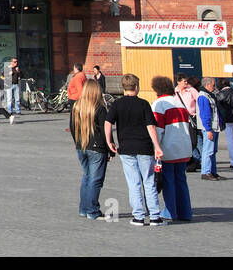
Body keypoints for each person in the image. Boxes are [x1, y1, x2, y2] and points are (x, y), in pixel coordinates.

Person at [104, 73, 165, 225]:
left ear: (123, 87)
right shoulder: (144, 104)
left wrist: (109, 141)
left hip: (126, 147)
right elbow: (150, 126)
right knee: (149, 181)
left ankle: (138, 216)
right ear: (136, 87)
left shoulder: (117, 104)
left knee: (134, 183)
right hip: (144, 147)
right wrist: (157, 146)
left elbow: (107, 123)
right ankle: (154, 216)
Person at [150, 76, 193, 223]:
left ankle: (170, 211)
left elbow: (158, 129)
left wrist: (156, 147)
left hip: (168, 148)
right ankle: (185, 211)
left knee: (168, 180)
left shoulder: (159, 104)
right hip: (184, 147)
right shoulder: (179, 103)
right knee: (181, 180)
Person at [69, 78, 110, 219]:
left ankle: (83, 208)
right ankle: (92, 211)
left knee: (87, 177)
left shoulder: (76, 106)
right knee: (95, 180)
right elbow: (105, 132)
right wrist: (110, 149)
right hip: (97, 148)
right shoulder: (99, 108)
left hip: (82, 146)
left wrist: (78, 143)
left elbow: (73, 127)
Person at [197, 77, 225, 181]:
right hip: (210, 128)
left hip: (214, 127)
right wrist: (208, 129)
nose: (214, 87)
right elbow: (205, 114)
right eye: (213, 85)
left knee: (213, 151)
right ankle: (205, 172)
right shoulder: (203, 96)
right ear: (207, 85)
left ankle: (213, 172)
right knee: (208, 151)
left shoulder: (209, 95)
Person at [175, 75, 201, 170]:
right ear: (178, 82)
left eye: (186, 81)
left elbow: (200, 101)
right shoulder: (175, 92)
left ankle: (192, 160)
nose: (186, 83)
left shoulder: (191, 90)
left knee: (193, 142)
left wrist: (197, 113)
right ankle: (189, 162)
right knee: (182, 141)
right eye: (183, 81)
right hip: (180, 121)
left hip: (191, 120)